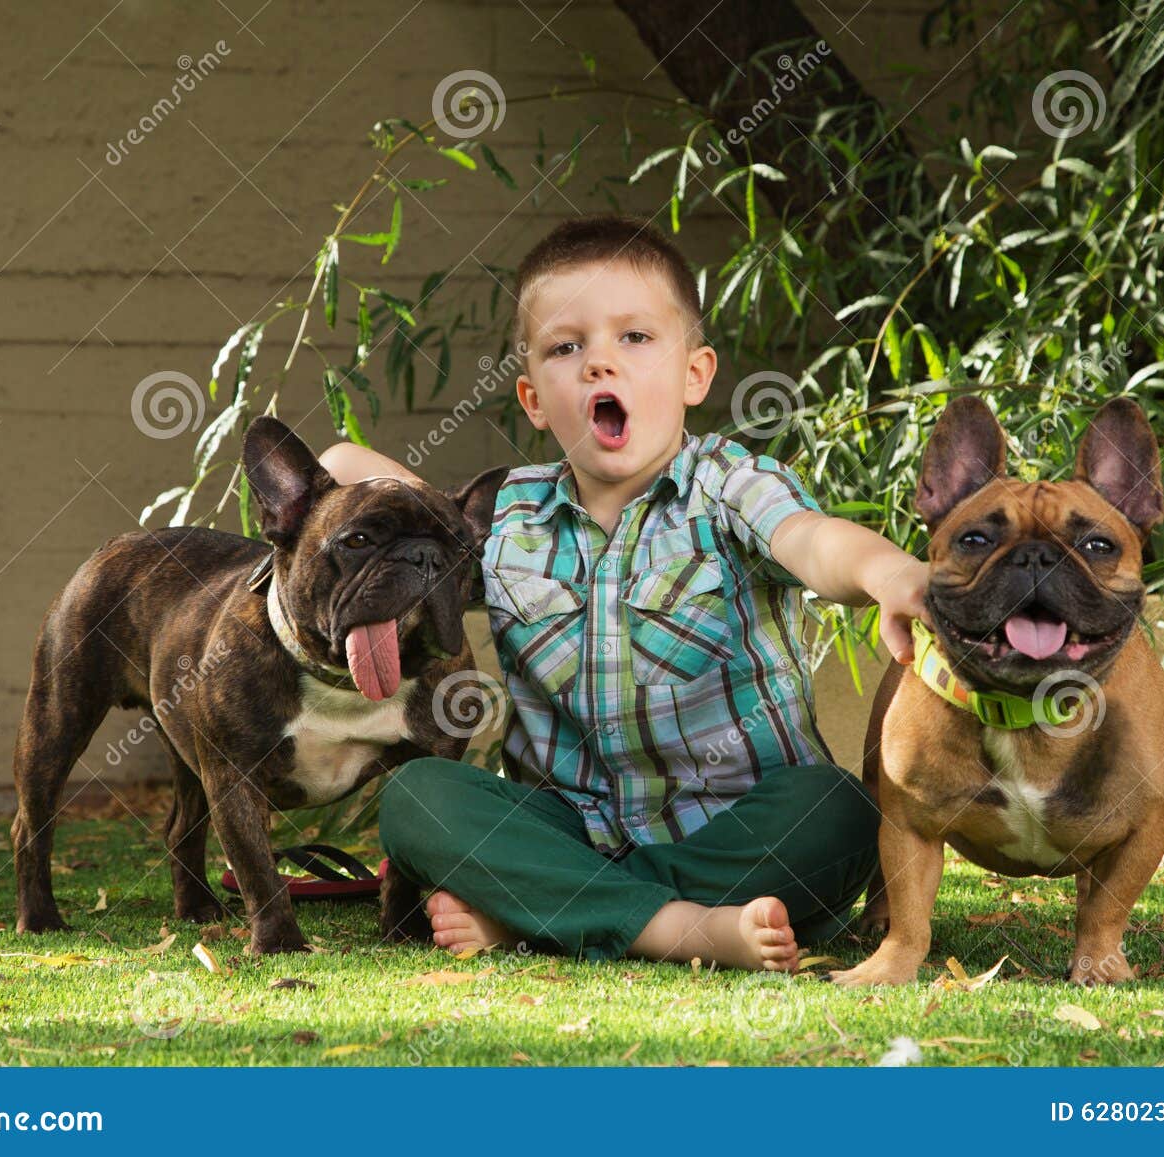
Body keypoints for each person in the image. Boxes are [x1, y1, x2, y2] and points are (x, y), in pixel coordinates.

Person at [318, 214, 927, 972]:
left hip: (740, 832)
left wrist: (887, 573)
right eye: (565, 348)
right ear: (533, 398)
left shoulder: (728, 485)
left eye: (635, 338)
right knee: (420, 797)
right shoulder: (506, 518)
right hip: (568, 830)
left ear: (694, 375)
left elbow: (810, 539)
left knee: (837, 809)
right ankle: (677, 926)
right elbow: (343, 463)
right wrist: (364, 484)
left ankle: (547, 914)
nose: (599, 363)